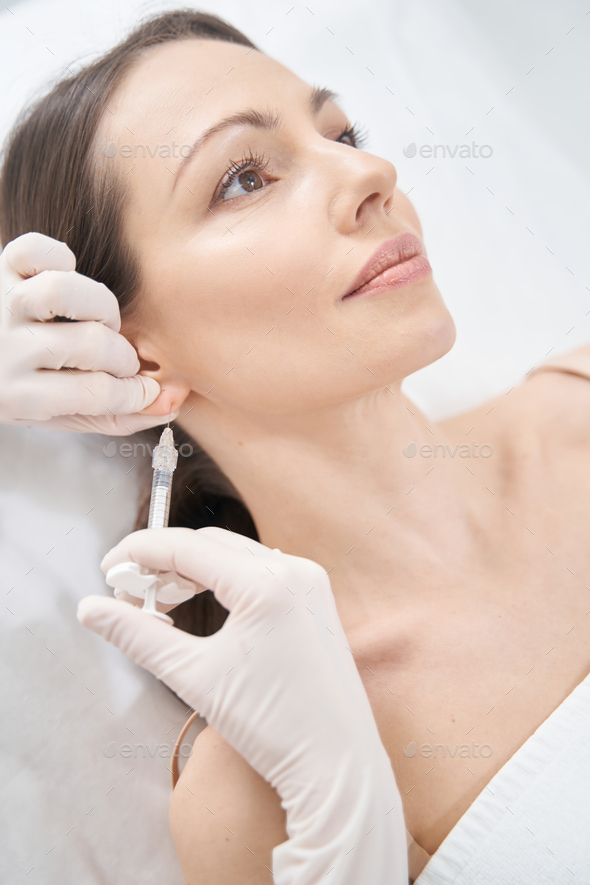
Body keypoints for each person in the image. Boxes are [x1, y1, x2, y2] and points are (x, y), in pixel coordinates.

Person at [1, 8, 589, 885]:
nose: (369, 171)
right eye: (243, 178)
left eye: (344, 132)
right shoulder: (262, 781)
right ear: (134, 350)